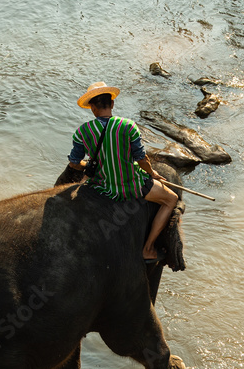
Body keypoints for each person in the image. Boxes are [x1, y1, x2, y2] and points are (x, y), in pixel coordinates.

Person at [67, 82, 178, 262]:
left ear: (92, 108)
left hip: (100, 186)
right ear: (112, 104)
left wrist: (87, 166)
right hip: (131, 186)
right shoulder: (128, 126)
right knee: (171, 199)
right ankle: (148, 249)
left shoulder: (82, 131)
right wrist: (153, 174)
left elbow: (73, 163)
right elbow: (142, 159)